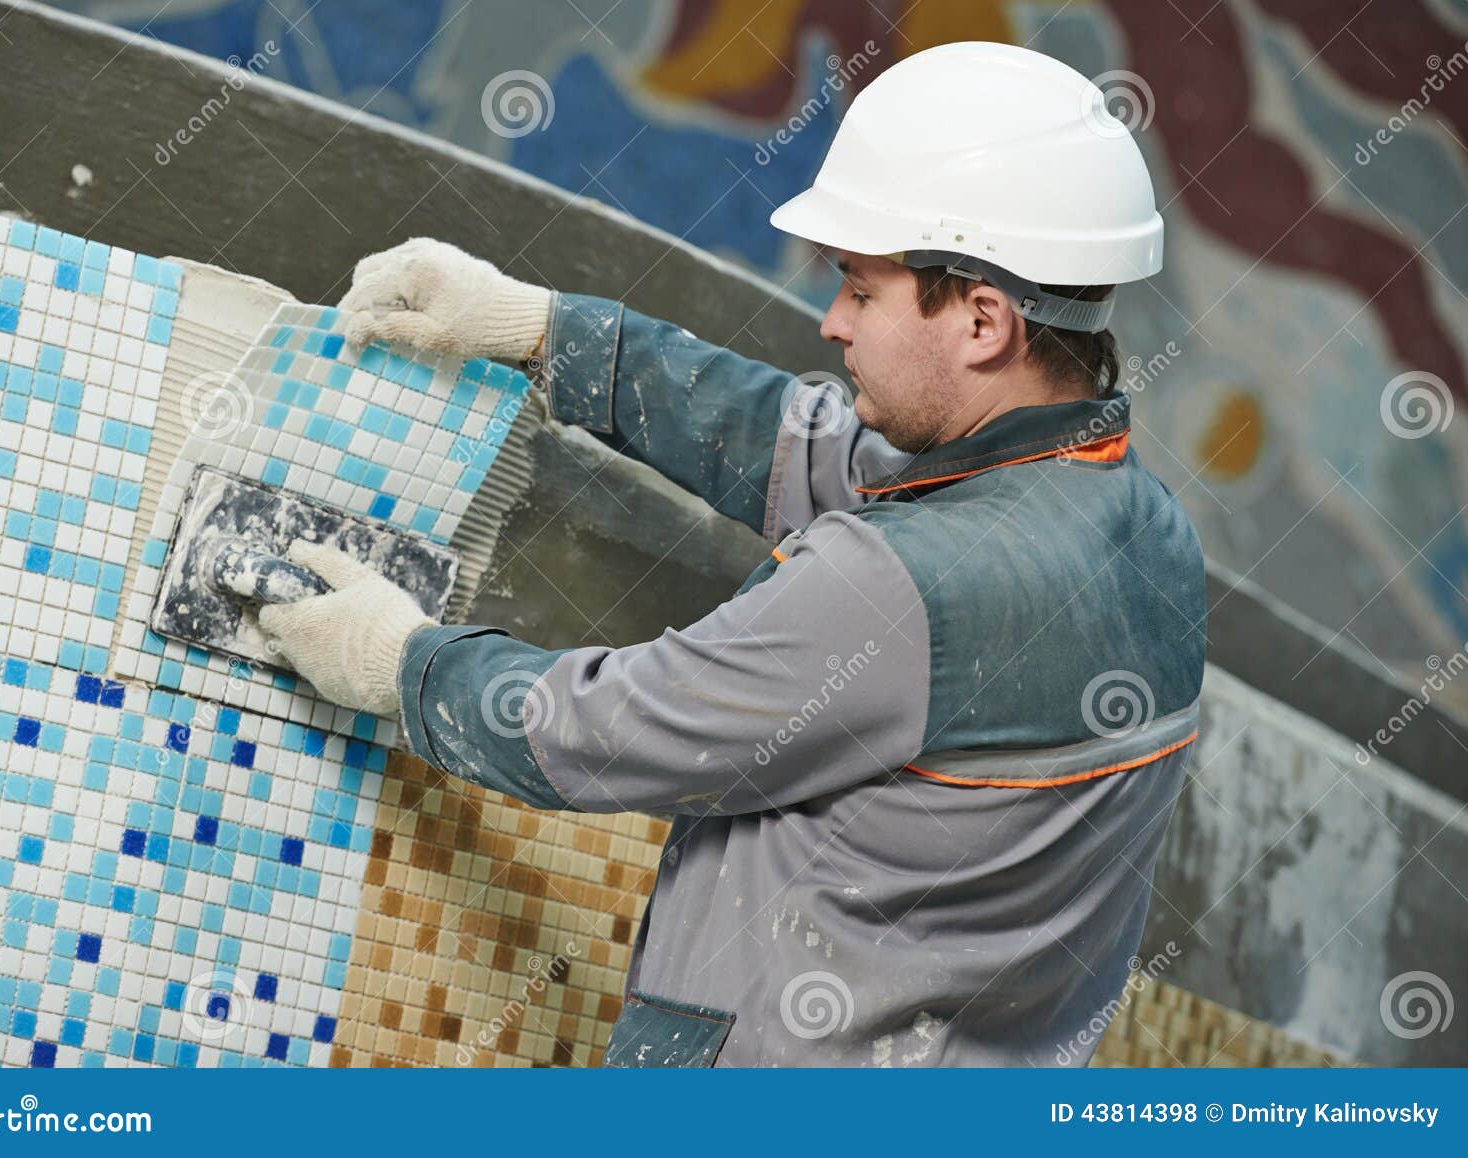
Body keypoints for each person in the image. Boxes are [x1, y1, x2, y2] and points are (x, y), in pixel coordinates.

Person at [258, 41, 1206, 1067]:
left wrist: (400, 664)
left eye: (860, 289)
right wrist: (542, 331)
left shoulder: (893, 587)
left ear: (982, 320)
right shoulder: (1139, 534)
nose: (833, 322)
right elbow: (808, 449)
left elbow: (596, 732)